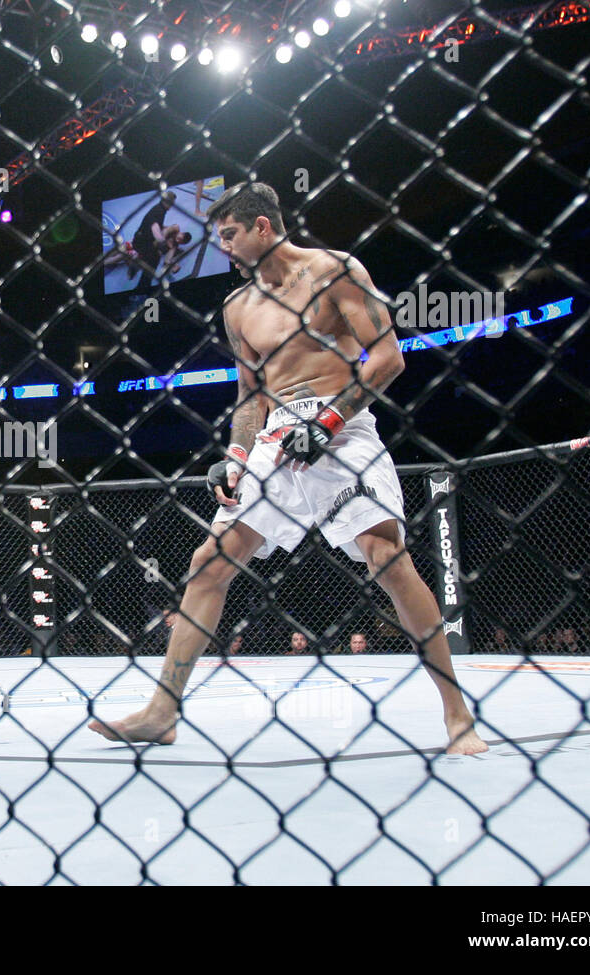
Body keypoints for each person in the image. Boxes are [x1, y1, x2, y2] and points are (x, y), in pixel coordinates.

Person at [90, 182, 488, 755]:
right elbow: (250, 396)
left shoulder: (334, 271)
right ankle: (161, 712)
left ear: (262, 227)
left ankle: (456, 715)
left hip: (343, 427)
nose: (222, 247)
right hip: (274, 440)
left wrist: (326, 421)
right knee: (209, 564)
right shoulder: (236, 308)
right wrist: (235, 457)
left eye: (228, 234)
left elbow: (388, 356)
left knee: (386, 556)